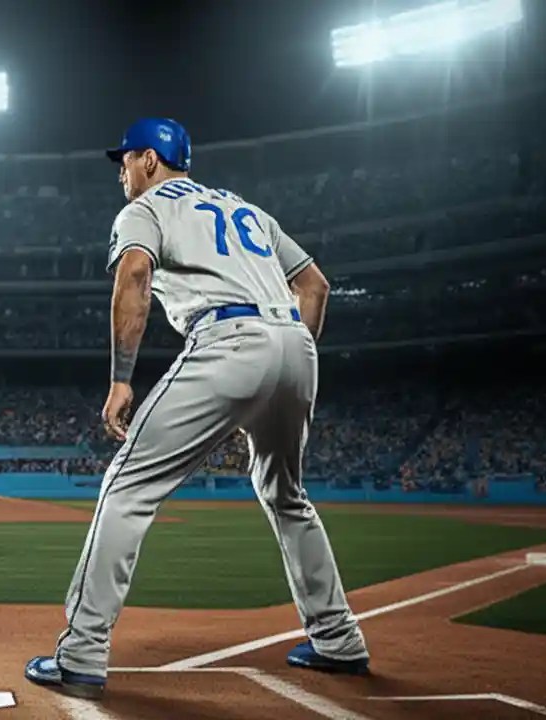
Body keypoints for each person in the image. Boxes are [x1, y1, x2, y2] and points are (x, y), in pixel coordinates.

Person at [25, 118, 369, 699]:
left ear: (151, 161)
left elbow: (134, 274)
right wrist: (285, 364)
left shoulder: (147, 207)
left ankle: (80, 654)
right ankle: (338, 638)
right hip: (294, 344)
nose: (122, 172)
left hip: (228, 340)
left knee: (127, 486)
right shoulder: (245, 208)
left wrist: (120, 379)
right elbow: (315, 286)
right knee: (288, 496)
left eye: (127, 160)